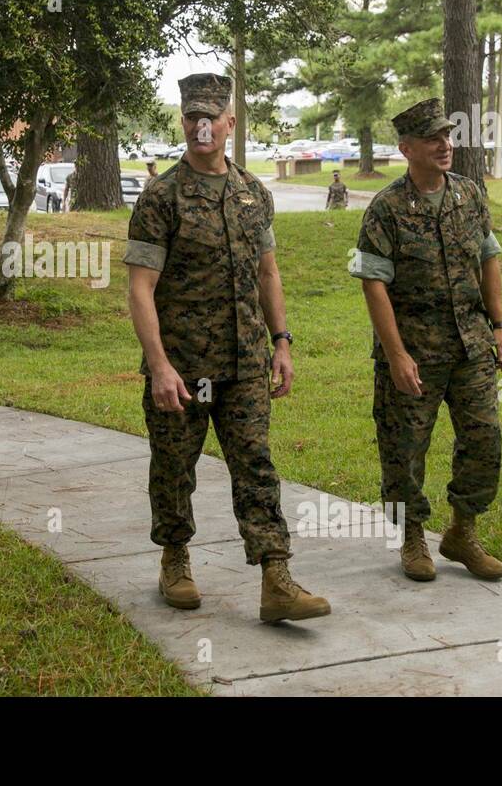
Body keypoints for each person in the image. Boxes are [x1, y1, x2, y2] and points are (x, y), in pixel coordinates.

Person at [124, 72, 330, 623]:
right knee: (173, 468)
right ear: (183, 122)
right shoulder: (160, 196)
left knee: (256, 466)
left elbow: (268, 272)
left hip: (245, 363)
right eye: (192, 116)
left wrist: (281, 343)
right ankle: (174, 560)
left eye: (211, 116)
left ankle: (275, 577)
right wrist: (161, 366)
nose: (201, 125)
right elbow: (140, 289)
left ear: (230, 123)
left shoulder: (252, 193)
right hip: (184, 369)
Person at [350, 98, 502, 582]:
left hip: (470, 345)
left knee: (484, 438)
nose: (445, 146)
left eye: (447, 136)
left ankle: (463, 532)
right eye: (433, 139)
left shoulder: (468, 194)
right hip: (415, 351)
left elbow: (489, 258)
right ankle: (412, 538)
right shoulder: (387, 208)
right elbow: (373, 283)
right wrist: (397, 354)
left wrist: (500, 325)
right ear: (407, 149)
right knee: (405, 448)